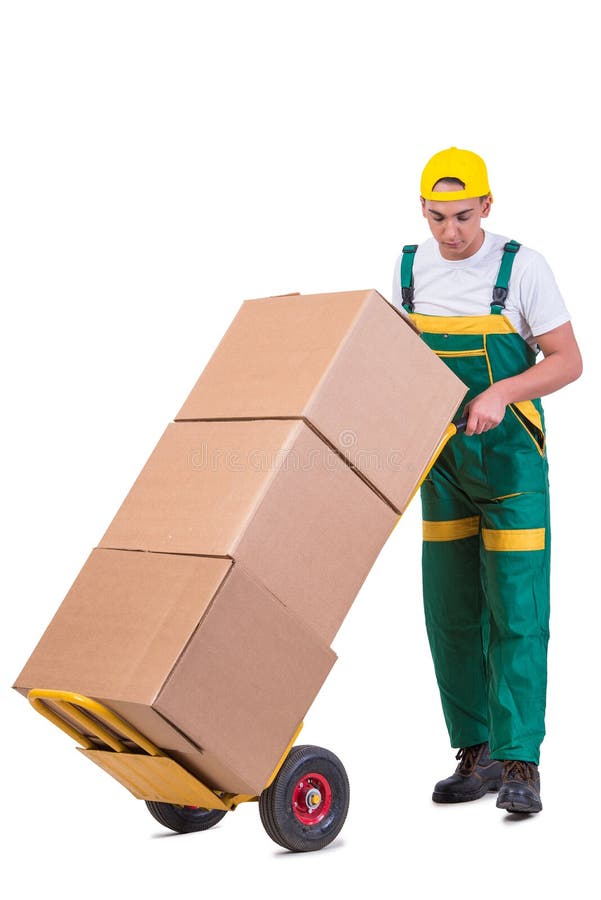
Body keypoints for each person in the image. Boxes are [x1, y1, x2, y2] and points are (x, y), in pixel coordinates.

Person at [391, 147, 582, 814]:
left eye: (463, 217)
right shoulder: (408, 268)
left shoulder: (520, 267)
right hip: (441, 465)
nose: (450, 232)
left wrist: (501, 390)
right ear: (422, 209)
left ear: (487, 207)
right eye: (437, 217)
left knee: (516, 611)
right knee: (449, 611)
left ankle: (521, 761)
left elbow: (567, 361)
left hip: (509, 468)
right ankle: (475, 754)